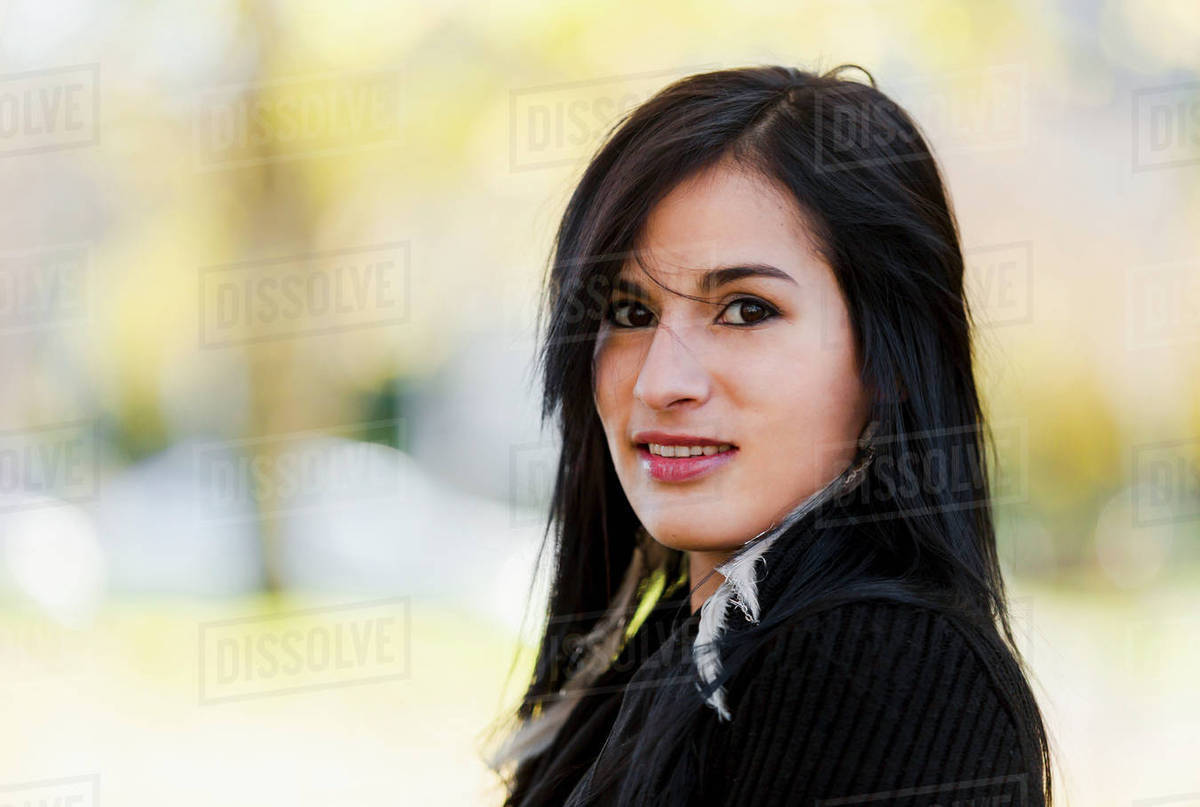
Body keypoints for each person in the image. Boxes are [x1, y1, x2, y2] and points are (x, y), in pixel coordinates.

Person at [485, 64, 1054, 806]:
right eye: (628, 312)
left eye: (746, 310)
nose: (662, 381)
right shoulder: (667, 657)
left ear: (892, 360)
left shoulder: (882, 669)